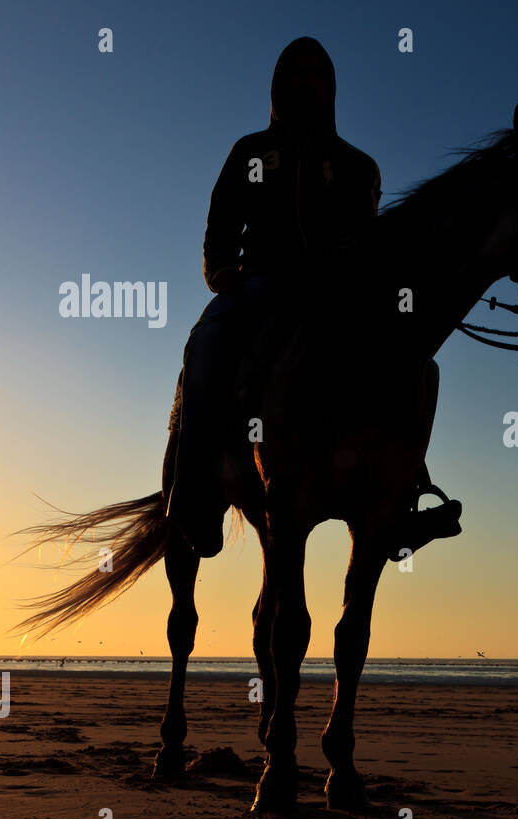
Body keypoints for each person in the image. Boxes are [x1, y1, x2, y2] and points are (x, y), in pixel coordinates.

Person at [166, 36, 460, 559]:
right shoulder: (251, 152)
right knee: (206, 344)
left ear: (330, 89)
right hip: (259, 285)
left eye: (316, 75)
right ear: (279, 87)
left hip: (336, 294)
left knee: (419, 366)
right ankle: (192, 490)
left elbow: (372, 243)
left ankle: (406, 497)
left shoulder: (358, 167)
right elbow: (221, 228)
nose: (306, 83)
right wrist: (221, 272)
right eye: (295, 74)